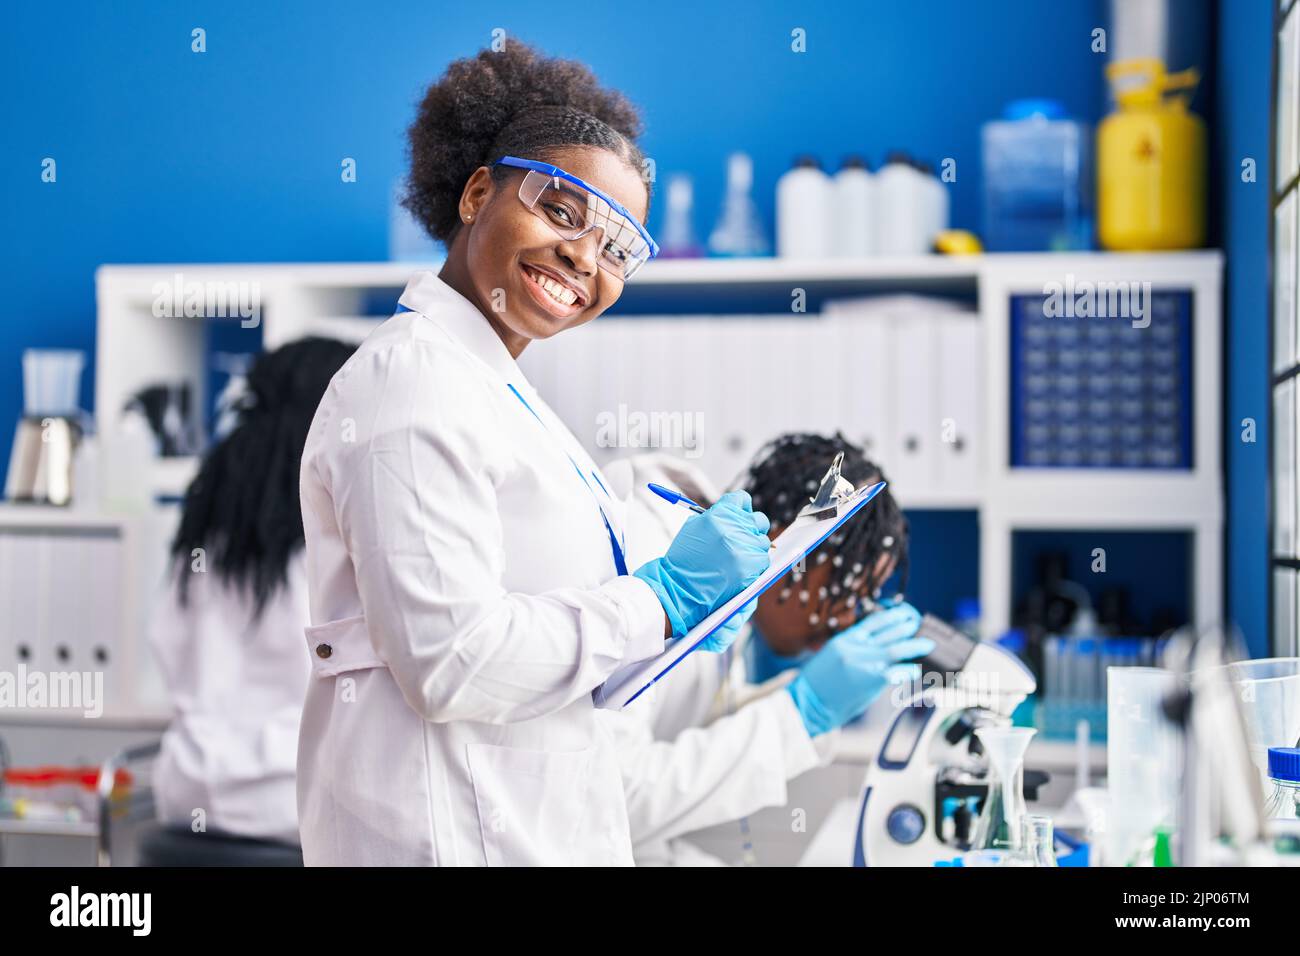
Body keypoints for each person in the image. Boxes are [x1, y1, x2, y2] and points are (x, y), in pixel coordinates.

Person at [295, 43, 769, 866]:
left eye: (619, 247)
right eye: (563, 211)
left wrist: (681, 595)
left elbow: (548, 620)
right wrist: (657, 601)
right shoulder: (413, 385)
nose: (586, 257)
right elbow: (452, 662)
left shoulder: (502, 394)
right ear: (479, 191)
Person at [601, 433, 931, 865]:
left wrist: (803, 704)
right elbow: (612, 799)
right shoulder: (654, 555)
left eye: (865, 597)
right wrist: (799, 712)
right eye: (848, 588)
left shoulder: (731, 582)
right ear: (786, 540)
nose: (848, 618)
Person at [150, 337, 355, 847]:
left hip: (186, 786)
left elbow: (166, 647)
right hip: (292, 797)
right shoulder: (332, 542)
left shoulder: (205, 533)